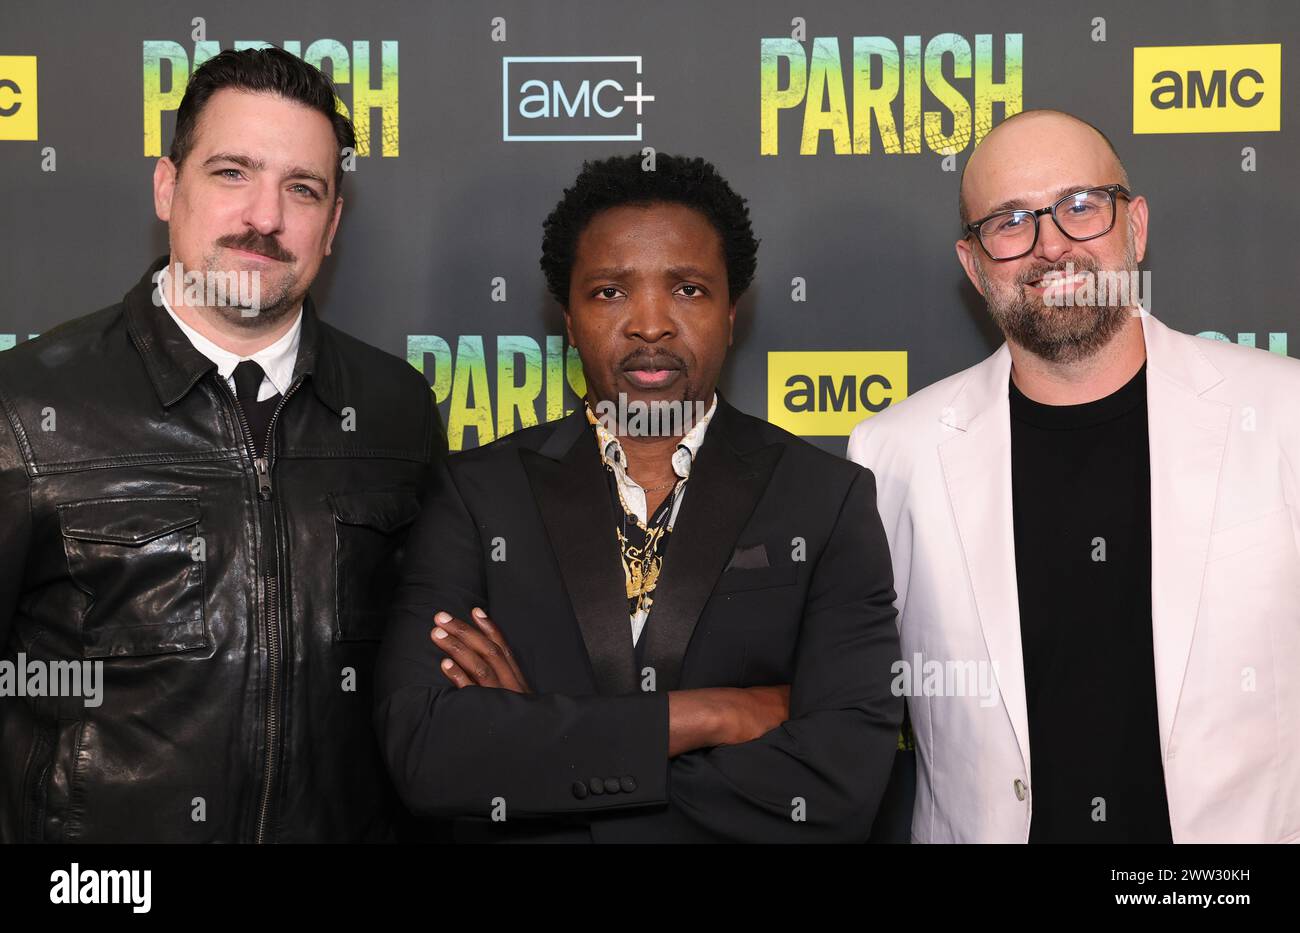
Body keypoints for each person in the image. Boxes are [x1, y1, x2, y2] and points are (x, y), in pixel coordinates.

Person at [375, 153, 901, 842]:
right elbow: (430, 754)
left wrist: (549, 753)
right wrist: (709, 715)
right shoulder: (479, 493)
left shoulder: (825, 499)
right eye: (609, 292)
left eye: (687, 289)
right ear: (568, 318)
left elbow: (839, 784)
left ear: (732, 313)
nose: (650, 324)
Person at [0, 48, 444, 842]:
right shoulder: (28, 405)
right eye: (232, 172)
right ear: (168, 187)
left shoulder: (395, 409)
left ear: (332, 223)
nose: (265, 218)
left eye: (301, 189)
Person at [848, 109, 1300, 843]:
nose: (1051, 244)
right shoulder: (891, 454)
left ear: (1136, 227)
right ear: (973, 263)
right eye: (1010, 220)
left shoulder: (1286, 413)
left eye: (1081, 207)